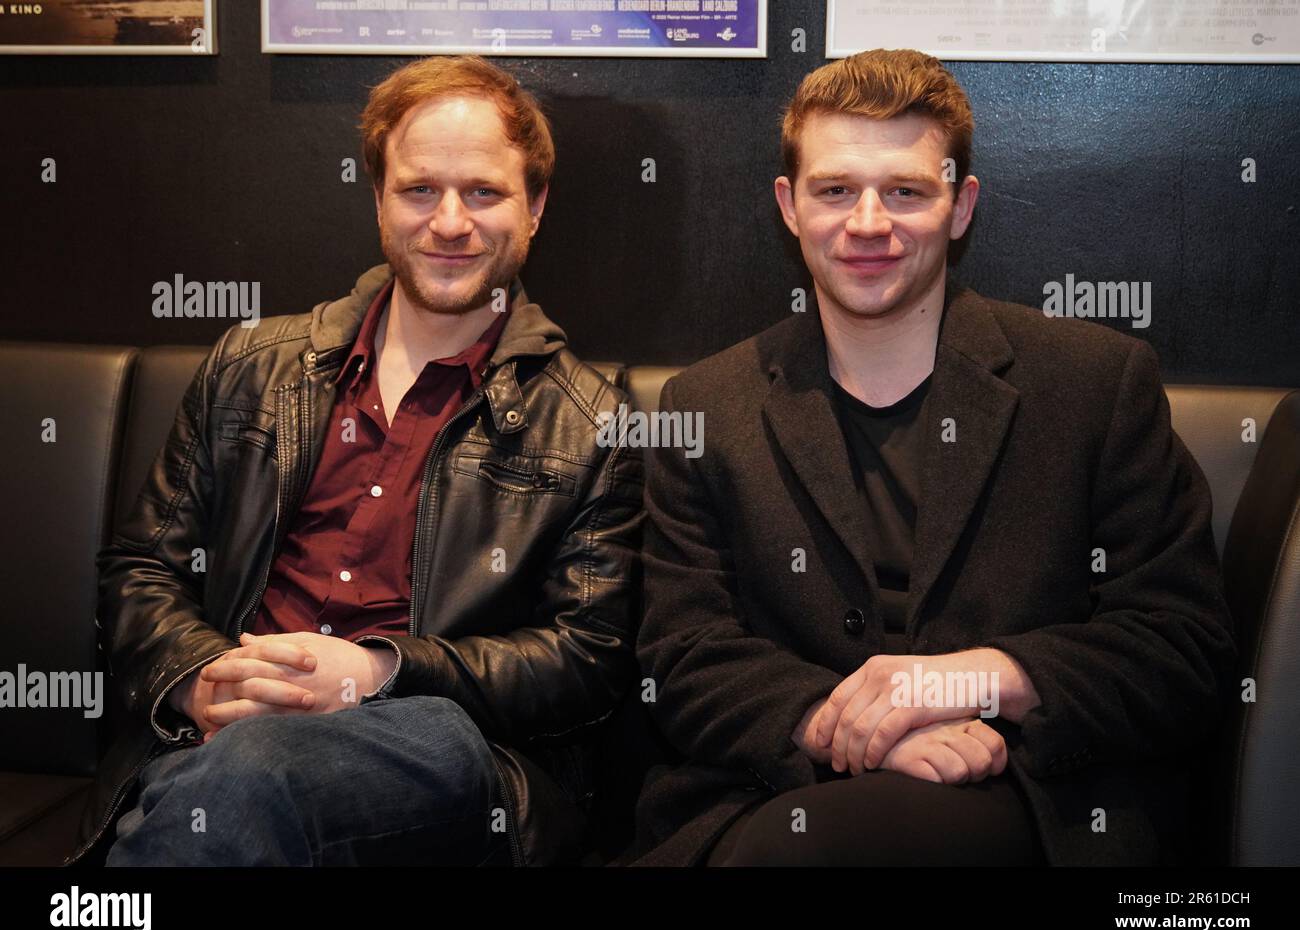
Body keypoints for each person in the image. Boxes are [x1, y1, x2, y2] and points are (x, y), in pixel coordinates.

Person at [628, 48, 1235, 866]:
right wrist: (859, 735)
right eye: (835, 189)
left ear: (959, 205)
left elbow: (1183, 649)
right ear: (789, 206)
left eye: (905, 191)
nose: (868, 222)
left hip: (1029, 800)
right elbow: (683, 656)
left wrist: (976, 677)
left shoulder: (1096, 383)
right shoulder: (707, 405)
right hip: (776, 797)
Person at [66, 55, 643, 867]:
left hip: (443, 752)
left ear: (536, 206)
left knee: (250, 774)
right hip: (226, 738)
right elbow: (140, 567)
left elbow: (585, 661)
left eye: (483, 191)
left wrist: (377, 671)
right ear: (378, 200)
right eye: (419, 190)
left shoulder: (592, 426)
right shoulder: (250, 366)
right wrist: (202, 680)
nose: (450, 222)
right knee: (240, 775)